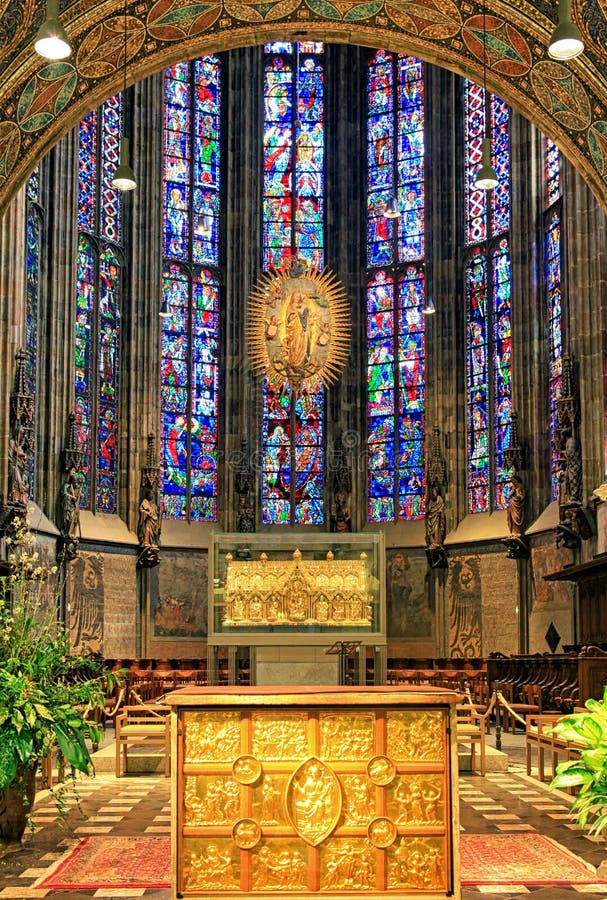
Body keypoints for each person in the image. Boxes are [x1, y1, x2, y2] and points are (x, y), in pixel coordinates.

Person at [138, 488, 160, 564]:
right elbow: (141, 510)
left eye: (153, 494)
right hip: (148, 521)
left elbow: (156, 513)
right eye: (150, 494)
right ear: (147, 495)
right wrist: (147, 514)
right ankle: (146, 543)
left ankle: (153, 544)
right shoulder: (145, 502)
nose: (152, 495)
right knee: (147, 531)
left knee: (153, 533)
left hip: (154, 522)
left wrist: (158, 513)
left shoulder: (154, 505)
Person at [425, 484, 446, 550]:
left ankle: (437, 542)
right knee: (430, 531)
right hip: (430, 518)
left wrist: (439, 512)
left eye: (434, 492)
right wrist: (428, 511)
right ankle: (432, 543)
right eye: (432, 492)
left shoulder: (439, 499)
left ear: (437, 492)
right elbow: (429, 508)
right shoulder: (431, 501)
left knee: (437, 529)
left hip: (437, 517)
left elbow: (441, 507)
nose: (433, 493)